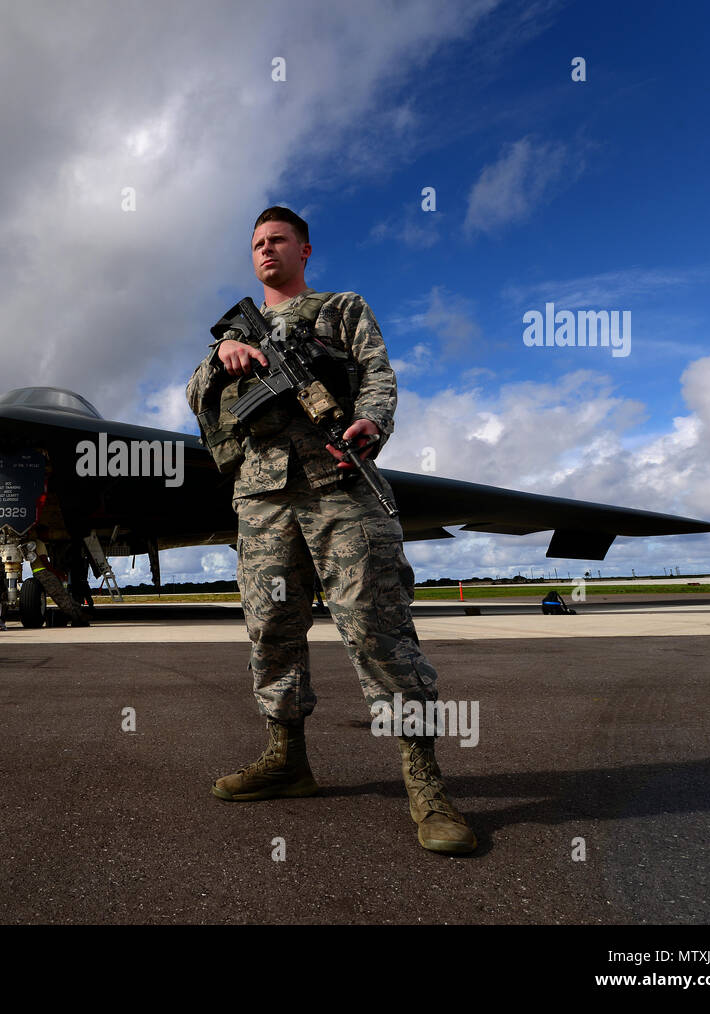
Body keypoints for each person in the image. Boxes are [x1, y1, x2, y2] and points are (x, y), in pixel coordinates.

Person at [185, 206, 476, 854]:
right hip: (262, 501)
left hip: (339, 486)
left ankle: (425, 783)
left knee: (376, 628)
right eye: (257, 243)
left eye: (278, 240)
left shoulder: (342, 309)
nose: (266, 250)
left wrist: (372, 422)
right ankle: (286, 760)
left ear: (304, 249)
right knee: (270, 633)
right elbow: (197, 395)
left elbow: (378, 374)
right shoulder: (231, 335)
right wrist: (221, 358)